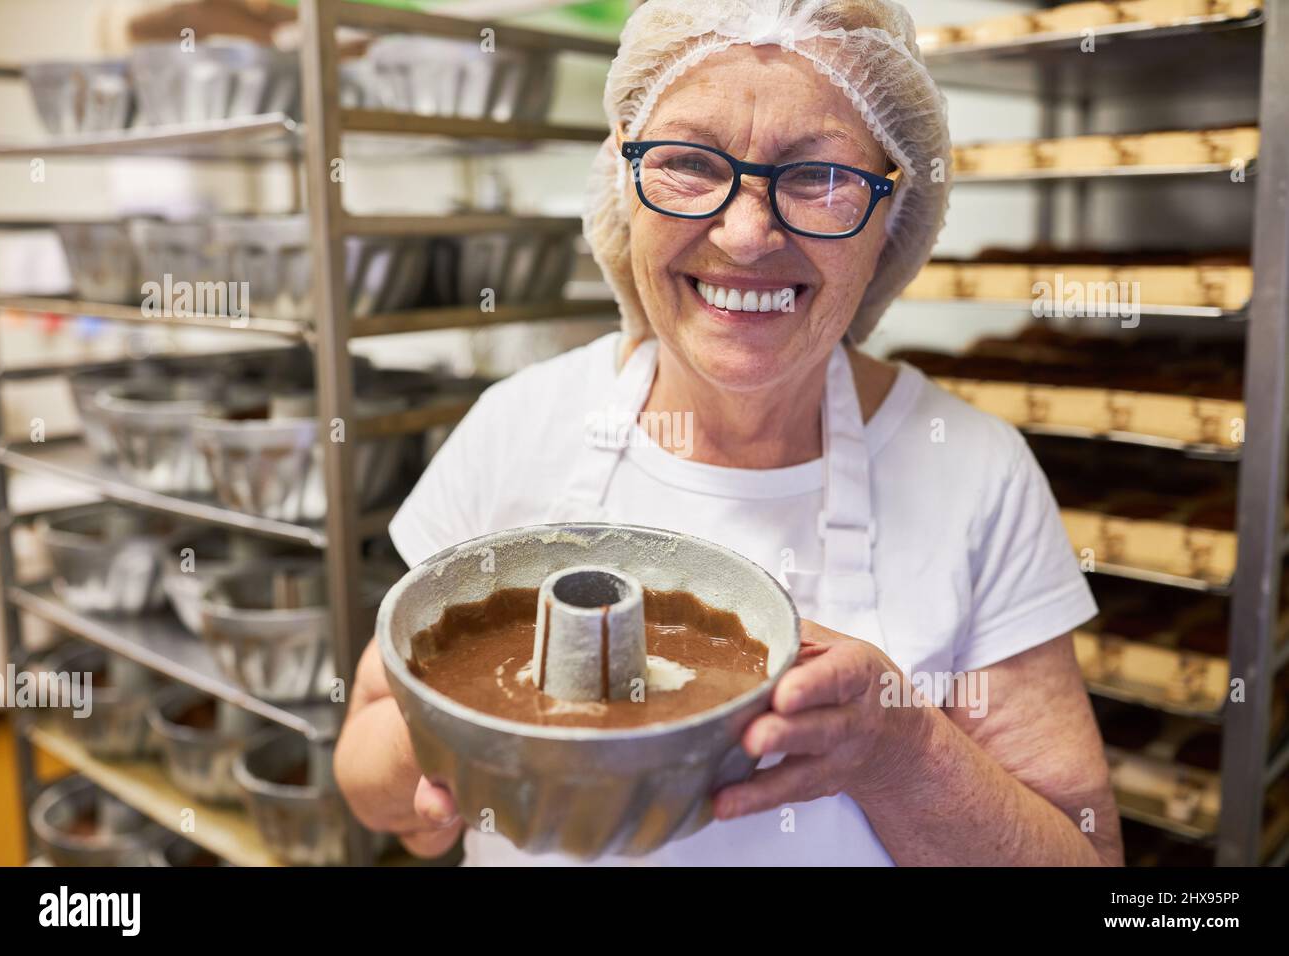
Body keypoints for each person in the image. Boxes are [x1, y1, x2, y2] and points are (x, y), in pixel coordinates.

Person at [335, 0, 1123, 866]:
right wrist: (478, 722)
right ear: (622, 177)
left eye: (818, 176)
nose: (747, 234)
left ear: (891, 214)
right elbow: (368, 767)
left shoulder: (977, 473)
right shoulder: (519, 425)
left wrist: (900, 748)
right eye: (685, 161)